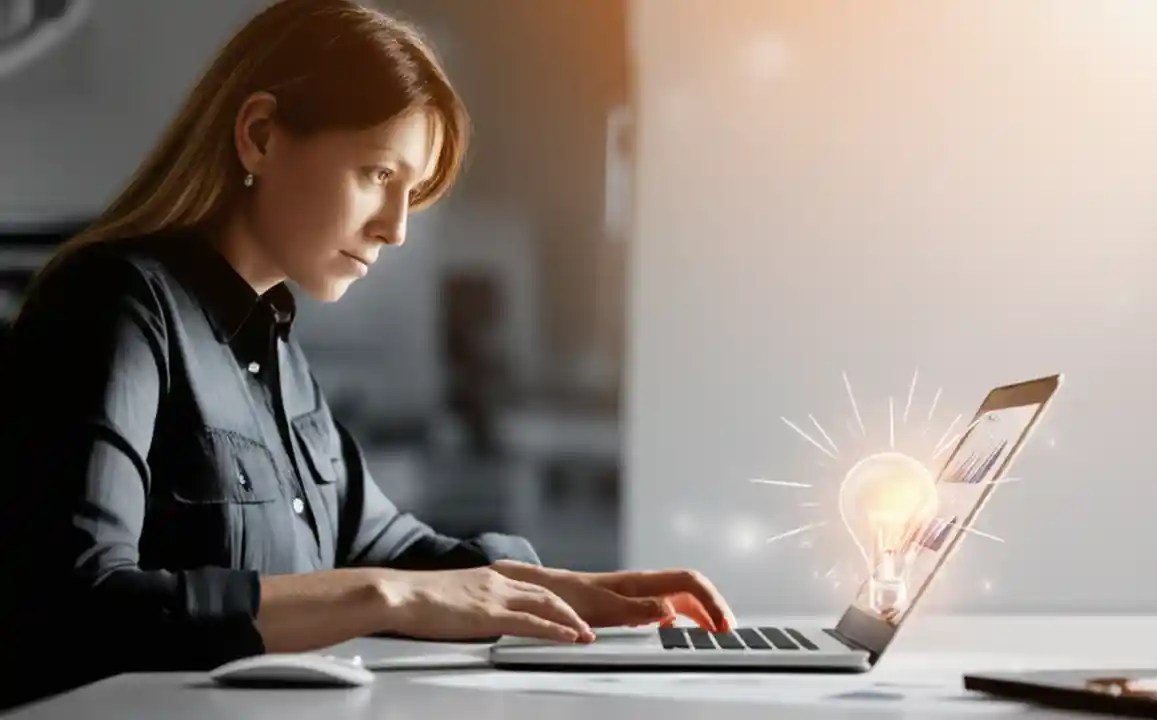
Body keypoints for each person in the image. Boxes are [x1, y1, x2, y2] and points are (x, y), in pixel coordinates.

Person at [0, 0, 734, 708]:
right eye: (379, 175)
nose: (396, 229)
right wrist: (382, 596)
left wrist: (564, 590)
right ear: (259, 135)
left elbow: (385, 544)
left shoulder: (276, 355)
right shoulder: (112, 305)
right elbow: (77, 606)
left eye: (413, 192)